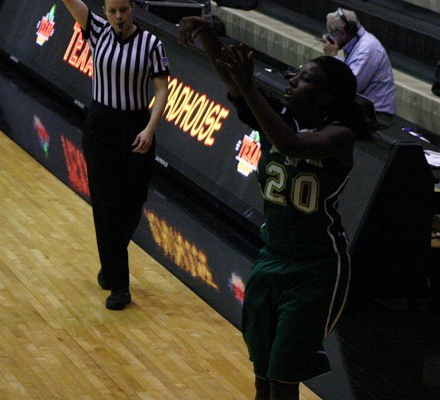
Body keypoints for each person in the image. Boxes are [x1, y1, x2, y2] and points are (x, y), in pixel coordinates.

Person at [179, 16, 370, 400]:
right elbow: (233, 81)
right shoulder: (280, 120)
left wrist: (249, 88)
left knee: (284, 377)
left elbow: (290, 145)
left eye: (303, 79)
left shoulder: (339, 136)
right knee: (263, 373)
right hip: (272, 259)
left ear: (325, 96)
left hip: (316, 269)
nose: (291, 81)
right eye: (294, 75)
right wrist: (207, 34)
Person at [61, 0, 170, 310]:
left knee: (134, 201)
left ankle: (110, 261)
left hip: (136, 126)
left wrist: (150, 128)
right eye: (112, 11)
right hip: (101, 128)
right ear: (105, 11)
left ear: (133, 7)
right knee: (107, 204)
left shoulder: (151, 43)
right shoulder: (94, 28)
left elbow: (161, 88)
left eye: (123, 9)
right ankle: (119, 285)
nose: (118, 16)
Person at [322, 7, 396, 128]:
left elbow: (349, 87)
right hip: (360, 109)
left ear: (343, 32)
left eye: (332, 34)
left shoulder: (367, 49)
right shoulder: (355, 44)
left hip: (377, 116)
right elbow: (347, 72)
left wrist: (332, 57)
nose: (331, 38)